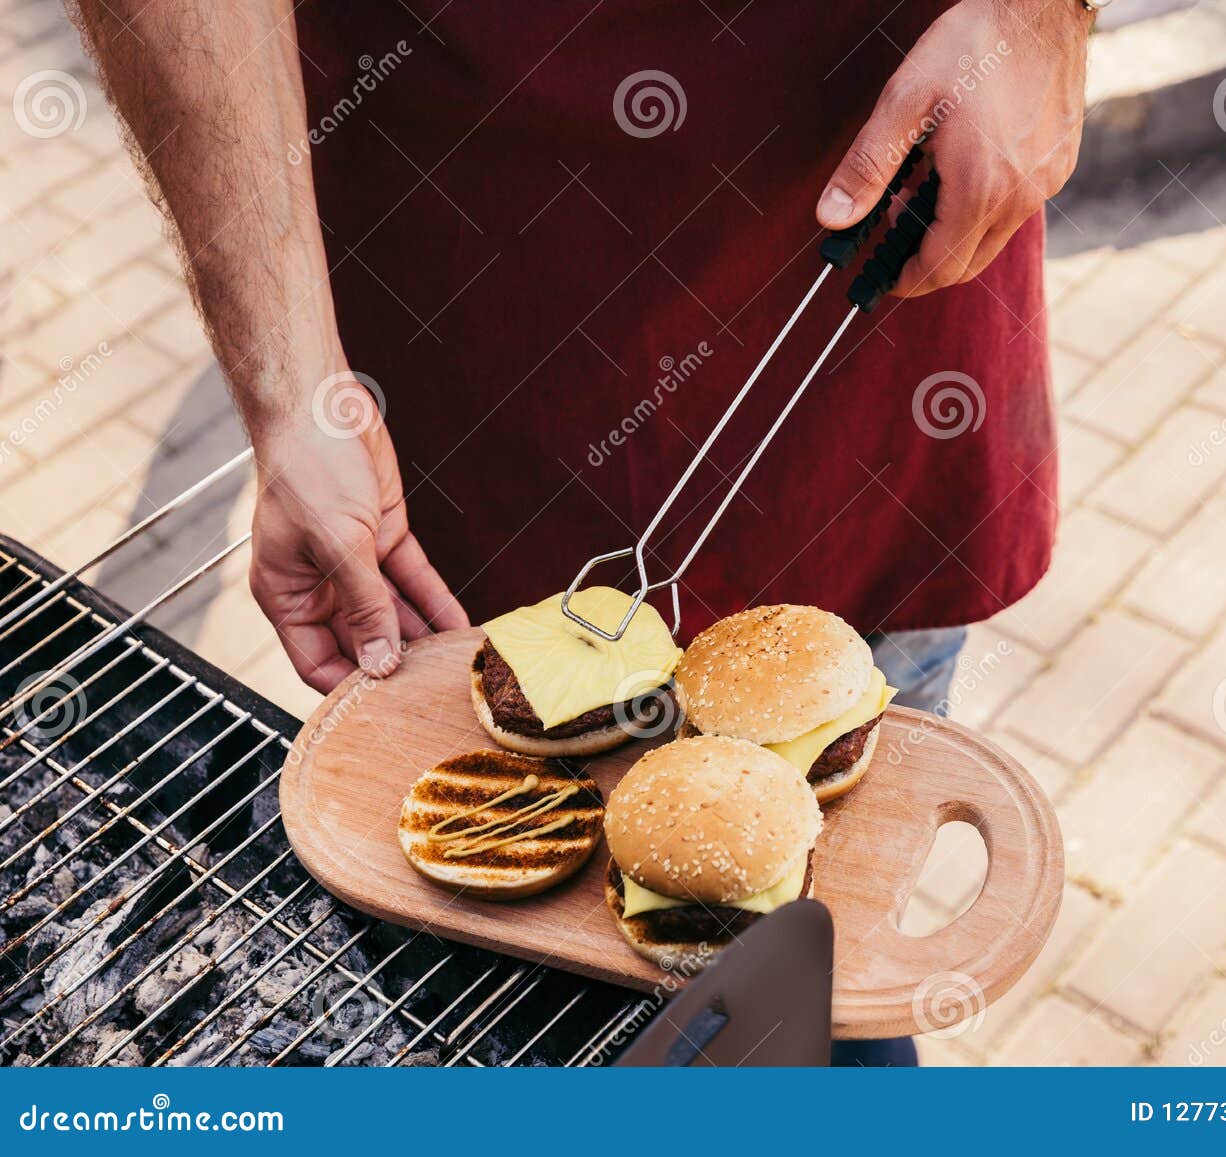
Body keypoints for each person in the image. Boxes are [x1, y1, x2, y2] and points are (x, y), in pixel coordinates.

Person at [71, 0, 1095, 1066]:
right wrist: (292, 392)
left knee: (820, 1005)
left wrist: (1042, 16)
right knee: (485, 1020)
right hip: (472, 323)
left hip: (880, 304)